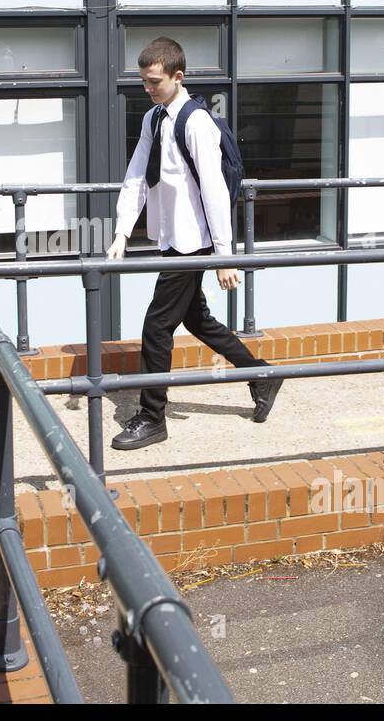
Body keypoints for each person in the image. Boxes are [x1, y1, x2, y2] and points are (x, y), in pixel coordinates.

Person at [106, 37, 282, 450]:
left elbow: (216, 193)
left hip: (194, 242)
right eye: (144, 82)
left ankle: (153, 418)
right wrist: (121, 231)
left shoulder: (196, 122)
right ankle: (261, 375)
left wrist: (225, 257)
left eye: (154, 82)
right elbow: (136, 176)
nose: (148, 89)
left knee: (156, 327)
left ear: (177, 76)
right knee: (194, 319)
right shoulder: (154, 119)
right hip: (171, 237)